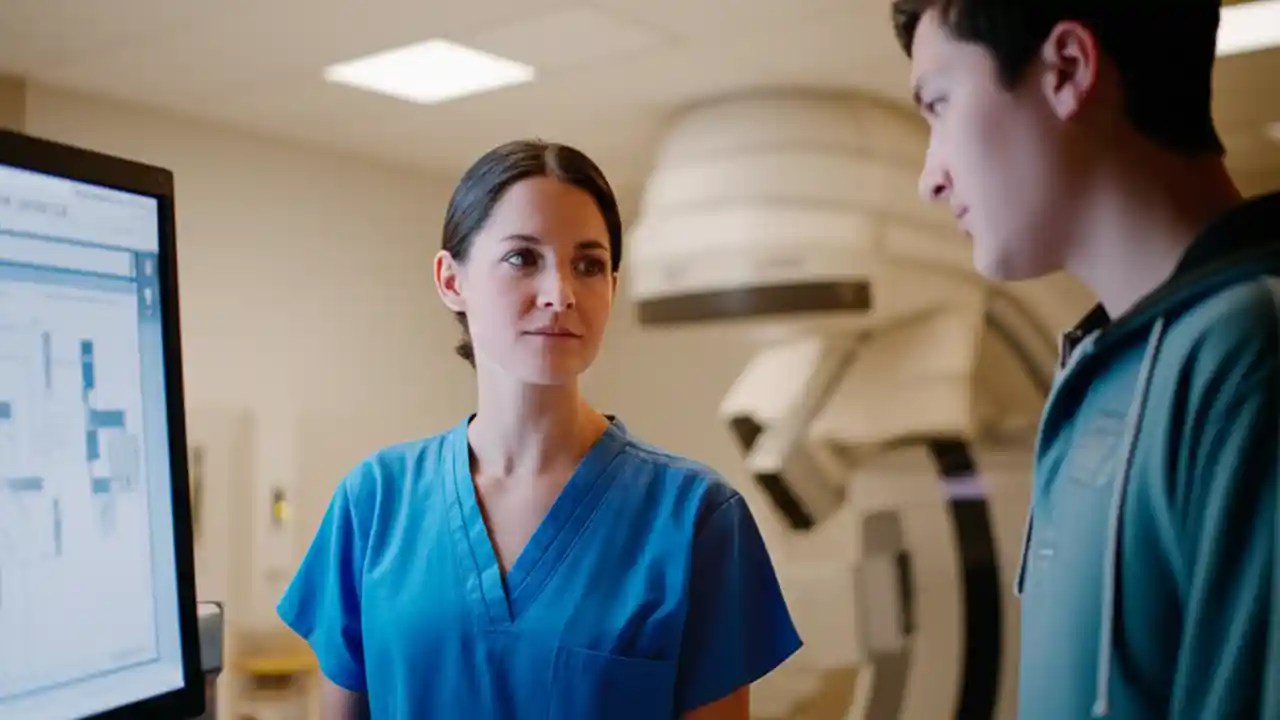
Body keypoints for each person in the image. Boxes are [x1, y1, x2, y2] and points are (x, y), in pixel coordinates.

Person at [276, 139, 802, 719]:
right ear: (451, 280)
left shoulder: (694, 518)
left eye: (589, 265)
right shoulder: (375, 503)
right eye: (523, 258)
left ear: (612, 287)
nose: (560, 294)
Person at [890, 1, 1278, 718]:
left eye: (939, 105)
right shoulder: (1106, 370)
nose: (930, 178)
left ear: (1067, 69)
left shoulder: (1247, 354)